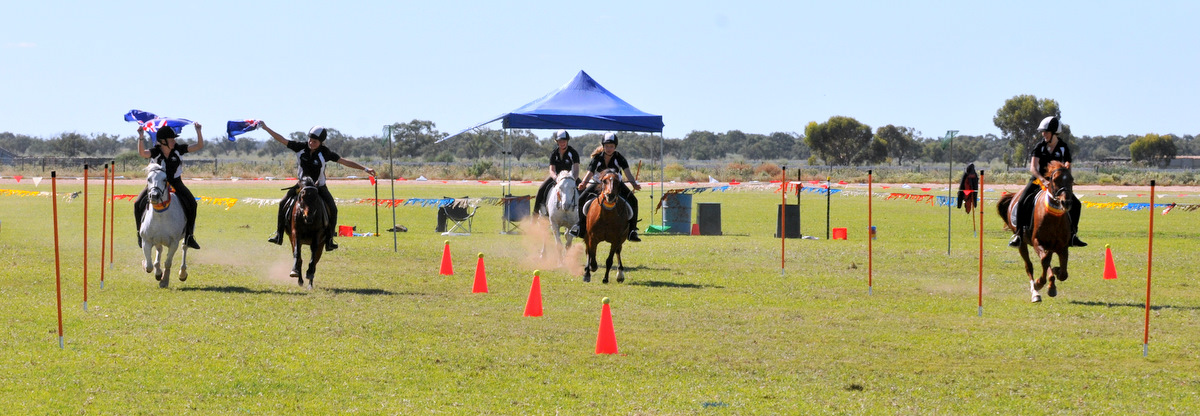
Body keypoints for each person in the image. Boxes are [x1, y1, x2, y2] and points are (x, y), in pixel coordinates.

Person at [262, 123, 376, 251]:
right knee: (282, 203)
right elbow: (282, 139)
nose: (311, 142)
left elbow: (344, 161)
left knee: (333, 208)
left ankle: (329, 240)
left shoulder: (325, 153)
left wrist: (365, 168)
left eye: (315, 141)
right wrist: (265, 128)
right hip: (301, 186)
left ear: (321, 142)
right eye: (310, 139)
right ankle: (279, 235)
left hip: (319, 187)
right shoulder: (300, 147)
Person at [1009, 116, 1086, 248]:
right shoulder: (1039, 146)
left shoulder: (1063, 148)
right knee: (1023, 201)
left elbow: (1068, 166)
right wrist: (1042, 180)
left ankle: (1073, 235)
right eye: (1043, 132)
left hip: (1058, 183)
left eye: (1045, 131)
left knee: (1077, 204)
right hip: (1038, 180)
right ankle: (1019, 234)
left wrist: (1066, 172)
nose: (1043, 134)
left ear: (1053, 133)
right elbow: (1033, 167)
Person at [134, 122, 204, 249]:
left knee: (192, 203)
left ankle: (189, 236)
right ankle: (140, 234)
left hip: (176, 182)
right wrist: (141, 136)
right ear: (163, 141)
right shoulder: (155, 151)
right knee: (137, 203)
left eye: (173, 139)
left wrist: (198, 130)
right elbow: (142, 153)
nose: (173, 141)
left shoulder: (178, 149)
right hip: (156, 183)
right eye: (171, 139)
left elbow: (199, 146)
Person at [569, 133, 642, 242]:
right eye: (607, 146)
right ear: (603, 146)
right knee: (581, 199)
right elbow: (590, 173)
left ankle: (632, 231)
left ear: (615, 147)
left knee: (634, 200)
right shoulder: (597, 158)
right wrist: (583, 183)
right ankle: (580, 226)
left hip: (616, 184)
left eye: (611, 146)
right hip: (599, 184)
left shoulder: (619, 157)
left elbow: (628, 173)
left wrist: (634, 184)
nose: (609, 149)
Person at [532, 129, 580, 216]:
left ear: (567, 141)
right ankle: (535, 215)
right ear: (557, 142)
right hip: (557, 177)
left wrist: (573, 179)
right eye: (560, 141)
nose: (562, 143)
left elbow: (576, 170)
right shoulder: (554, 153)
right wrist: (556, 178)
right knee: (541, 189)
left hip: (571, 177)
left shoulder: (573, 153)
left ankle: (583, 216)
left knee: (583, 190)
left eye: (564, 141)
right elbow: (552, 170)